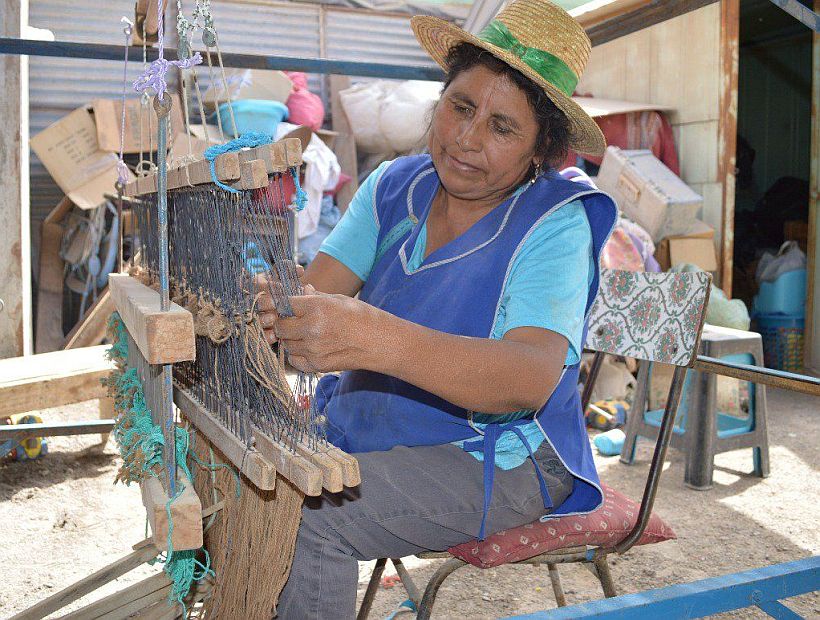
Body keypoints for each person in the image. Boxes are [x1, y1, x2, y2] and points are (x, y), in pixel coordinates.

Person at [263, 1, 618, 616]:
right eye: (460, 106)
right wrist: (269, 307)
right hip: (388, 430)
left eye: (502, 127)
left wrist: (378, 340)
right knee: (258, 482)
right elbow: (313, 295)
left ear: (542, 153)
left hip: (506, 455)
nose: (465, 137)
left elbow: (529, 379)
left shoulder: (557, 224)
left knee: (313, 515)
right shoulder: (394, 186)